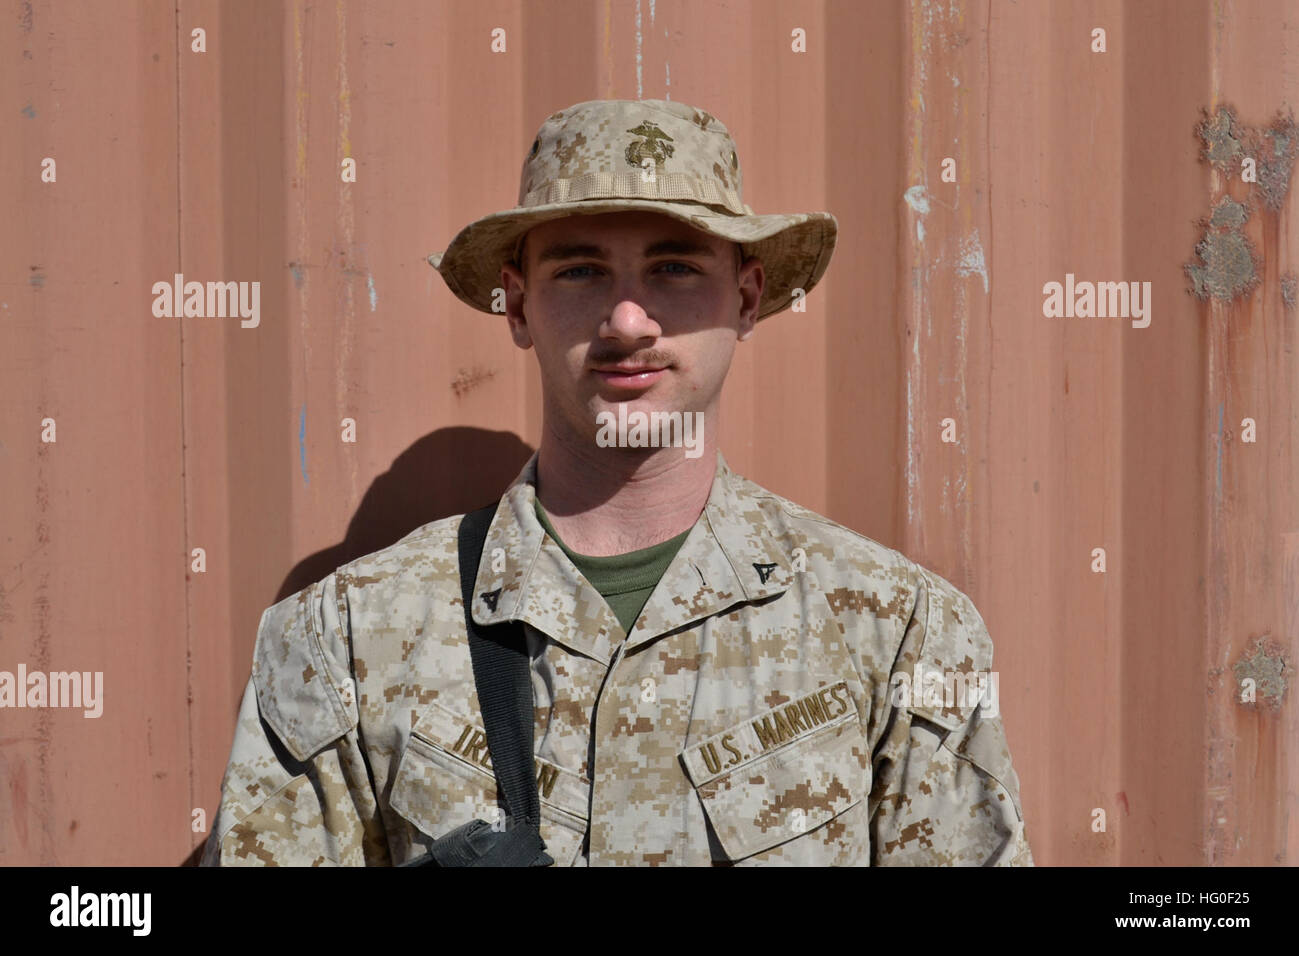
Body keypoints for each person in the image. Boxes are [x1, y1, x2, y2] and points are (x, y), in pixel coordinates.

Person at [201, 98, 1033, 866]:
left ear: (747, 299)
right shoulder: (343, 639)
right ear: (518, 308)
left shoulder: (898, 632)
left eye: (673, 269)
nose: (628, 321)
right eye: (580, 271)